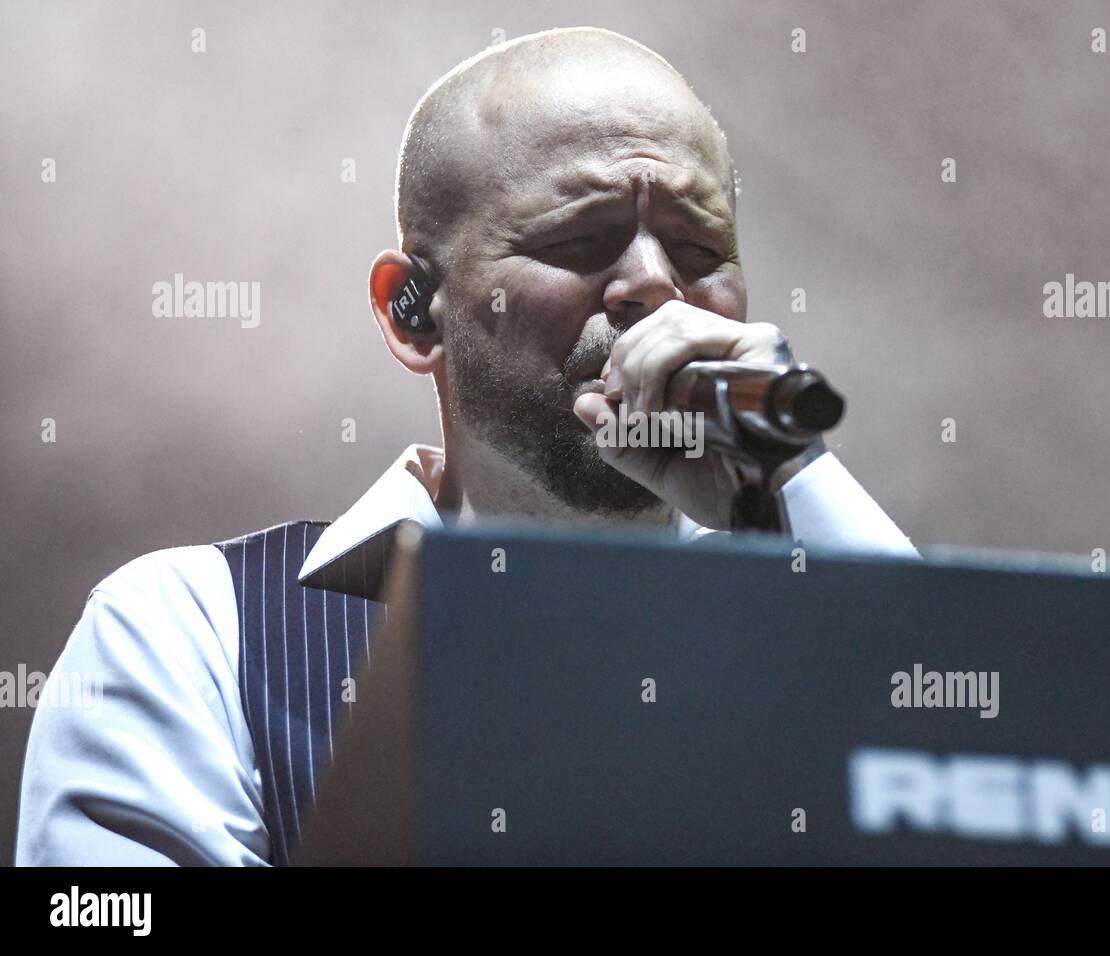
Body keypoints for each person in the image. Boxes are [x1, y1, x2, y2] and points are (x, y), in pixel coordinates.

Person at [15, 26, 917, 866]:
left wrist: (798, 484)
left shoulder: (804, 619)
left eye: (699, 245)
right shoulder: (194, 635)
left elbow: (1003, 791)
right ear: (413, 313)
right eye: (582, 239)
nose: (654, 285)